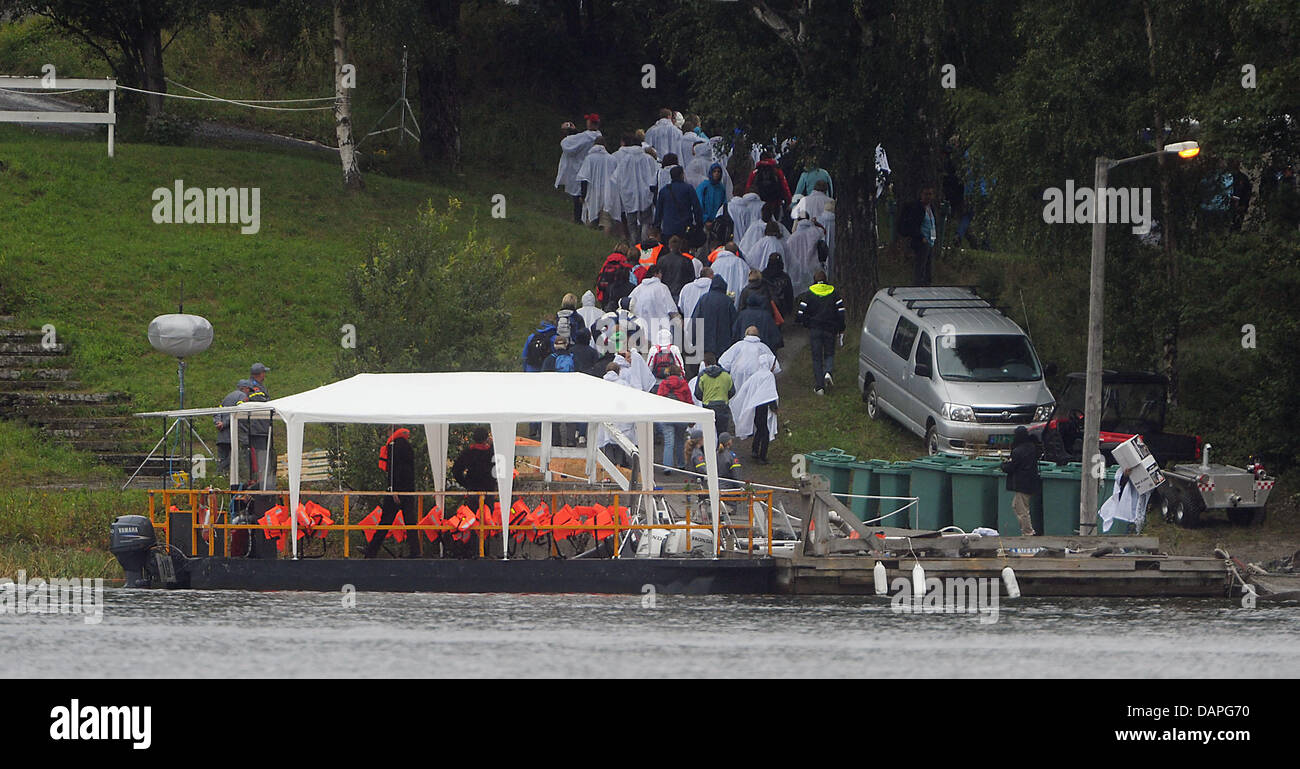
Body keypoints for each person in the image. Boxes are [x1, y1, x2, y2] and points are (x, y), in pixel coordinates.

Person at [365, 427, 421, 559]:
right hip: (408, 489)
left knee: (385, 520)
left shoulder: (393, 445)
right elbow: (408, 470)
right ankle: (416, 551)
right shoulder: (407, 446)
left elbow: (393, 469)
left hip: (396, 490)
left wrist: (392, 488)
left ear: (391, 431)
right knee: (410, 521)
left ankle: (371, 551)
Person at [795, 270, 847, 395]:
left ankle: (819, 387)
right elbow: (841, 311)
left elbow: (800, 313)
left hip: (815, 329)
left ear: (814, 279)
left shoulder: (809, 294)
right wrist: (840, 327)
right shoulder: (834, 293)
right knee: (829, 353)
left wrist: (806, 323)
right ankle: (828, 372)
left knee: (817, 358)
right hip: (830, 328)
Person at [731, 353, 778, 464]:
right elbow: (769, 394)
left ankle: (755, 450)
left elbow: (746, 387)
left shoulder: (757, 375)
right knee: (765, 432)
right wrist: (774, 407)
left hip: (756, 407)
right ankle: (762, 456)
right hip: (762, 406)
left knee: (760, 429)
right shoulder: (768, 376)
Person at [555, 117, 603, 224]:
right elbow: (580, 139)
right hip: (593, 168)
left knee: (578, 195)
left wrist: (568, 132)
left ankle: (578, 219)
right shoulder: (599, 136)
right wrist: (575, 131)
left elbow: (568, 145)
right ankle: (592, 219)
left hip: (579, 167)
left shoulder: (585, 136)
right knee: (590, 194)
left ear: (590, 123)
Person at [611, 132, 656, 243]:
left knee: (631, 221)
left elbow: (616, 177)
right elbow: (655, 175)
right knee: (646, 220)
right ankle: (644, 241)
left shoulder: (625, 160)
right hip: (646, 193)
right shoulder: (648, 159)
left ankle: (633, 242)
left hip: (629, 193)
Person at [1000, 426, 1041, 536]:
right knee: (1017, 505)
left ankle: (1028, 532)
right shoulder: (1032, 447)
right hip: (1031, 482)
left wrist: (1003, 465)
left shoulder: (1017, 451)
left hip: (1022, 484)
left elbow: (1012, 467)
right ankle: (1027, 530)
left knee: (1021, 509)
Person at [655, 364, 694, 471]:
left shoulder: (663, 384)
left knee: (668, 443)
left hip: (667, 416)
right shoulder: (684, 384)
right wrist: (691, 418)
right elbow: (689, 402)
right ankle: (681, 464)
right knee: (680, 441)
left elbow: (659, 400)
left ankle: (667, 467)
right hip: (681, 417)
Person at [577, 133, 618, 231]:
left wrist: (583, 195)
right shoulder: (612, 159)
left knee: (590, 218)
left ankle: (588, 237)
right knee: (606, 221)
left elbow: (584, 178)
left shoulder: (589, 158)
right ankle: (604, 239)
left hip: (592, 194)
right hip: (608, 194)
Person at [690, 275, 739, 359]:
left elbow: (695, 321)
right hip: (723, 344)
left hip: (705, 343)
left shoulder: (704, 299)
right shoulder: (727, 301)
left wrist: (694, 340)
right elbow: (734, 325)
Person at [627, 264, 678, 341]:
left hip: (641, 332)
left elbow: (629, 305)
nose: (661, 276)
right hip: (660, 330)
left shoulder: (638, 289)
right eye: (660, 273)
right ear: (656, 274)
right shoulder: (662, 288)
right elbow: (672, 309)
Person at [654, 165, 704, 244]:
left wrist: (657, 226)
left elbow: (658, 210)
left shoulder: (664, 190)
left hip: (668, 228)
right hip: (684, 228)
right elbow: (696, 207)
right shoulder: (688, 188)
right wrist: (699, 224)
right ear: (682, 175)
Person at [899, 186, 938, 285]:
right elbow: (913, 225)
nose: (928, 197)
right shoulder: (918, 208)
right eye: (926, 194)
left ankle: (927, 284)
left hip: (931, 240)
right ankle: (917, 284)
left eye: (930, 194)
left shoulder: (931, 208)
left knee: (929, 267)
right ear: (921, 195)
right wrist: (921, 237)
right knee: (920, 266)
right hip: (921, 241)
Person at [1098, 466, 1153, 535]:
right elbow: (1120, 484)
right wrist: (1125, 475)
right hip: (1130, 511)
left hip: (1146, 508)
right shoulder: (1124, 469)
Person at [214, 379, 252, 473]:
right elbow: (238, 411)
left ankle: (219, 478)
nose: (249, 393)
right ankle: (220, 473)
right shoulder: (242, 396)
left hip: (222, 436)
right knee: (235, 457)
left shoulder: (227, 397)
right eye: (249, 390)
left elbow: (217, 411)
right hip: (232, 434)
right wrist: (225, 423)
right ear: (245, 388)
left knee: (222, 458)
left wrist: (218, 422)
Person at [694, 352, 735, 437]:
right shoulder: (726, 375)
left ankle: (710, 449)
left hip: (708, 406)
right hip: (723, 405)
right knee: (722, 433)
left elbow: (698, 393)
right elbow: (732, 391)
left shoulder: (702, 375)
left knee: (709, 433)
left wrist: (706, 398)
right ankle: (721, 449)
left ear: (705, 363)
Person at [243, 388, 275, 489]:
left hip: (256, 433)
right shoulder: (266, 401)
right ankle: (263, 478)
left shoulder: (251, 403)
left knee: (259, 457)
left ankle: (260, 478)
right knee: (264, 457)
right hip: (265, 432)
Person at [783, 217, 824, 294]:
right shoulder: (815, 233)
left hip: (797, 270)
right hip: (812, 267)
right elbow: (823, 231)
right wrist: (816, 223)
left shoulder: (792, 238)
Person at [453, 427, 497, 492]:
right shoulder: (491, 453)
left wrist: (466, 484)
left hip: (473, 488)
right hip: (489, 488)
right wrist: (493, 445)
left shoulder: (468, 452)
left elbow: (456, 471)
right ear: (486, 438)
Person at [656, 235, 697, 300]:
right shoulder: (686, 261)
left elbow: (657, 278)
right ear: (680, 246)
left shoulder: (662, 260)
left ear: (669, 246)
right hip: (680, 293)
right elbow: (691, 279)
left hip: (665, 293)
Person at [763, 253, 794, 321]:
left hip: (766, 306)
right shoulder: (785, 277)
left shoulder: (763, 275)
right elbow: (789, 295)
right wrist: (789, 309)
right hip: (780, 307)